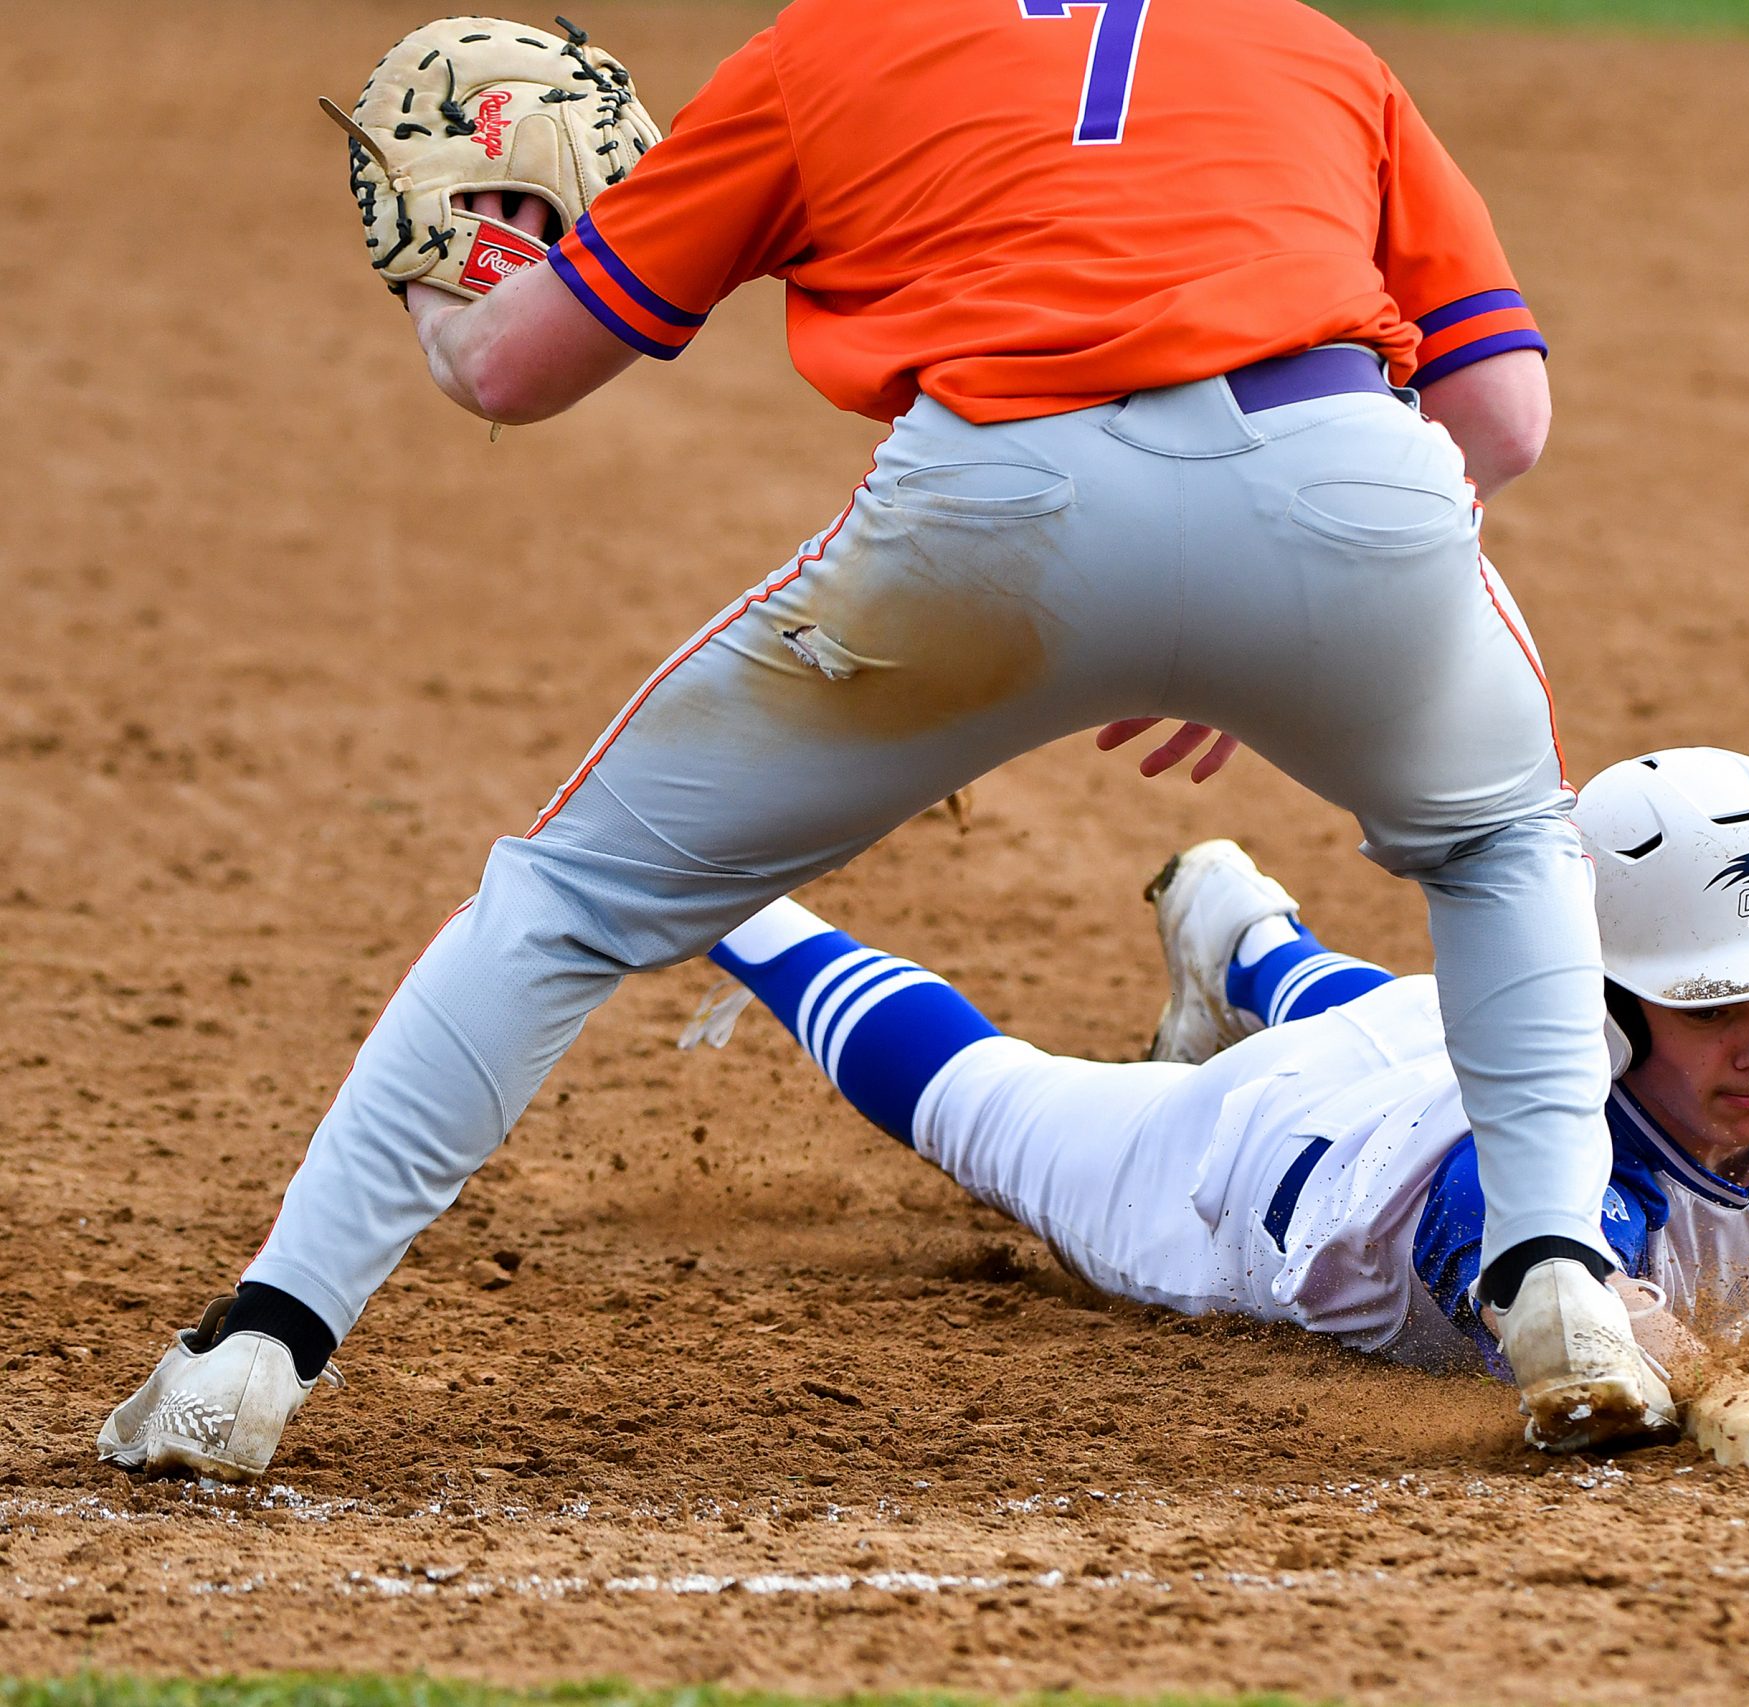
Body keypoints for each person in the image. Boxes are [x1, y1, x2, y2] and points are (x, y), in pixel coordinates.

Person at [102, 0, 1663, 1482]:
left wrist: (446, 279)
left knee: (562, 900)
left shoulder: (825, 46)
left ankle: (258, 1347)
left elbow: (510, 366)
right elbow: (1504, 419)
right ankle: (1554, 1277)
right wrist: (1277, 622)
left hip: (997, 524)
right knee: (1505, 838)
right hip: (1351, 498)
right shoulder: (1309, 43)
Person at [678, 748, 1749, 1425]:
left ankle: (1245, 938)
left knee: (1403, 1014)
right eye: (1705, 1006)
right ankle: (724, 892)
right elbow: (1608, 1376)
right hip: (1242, 1161)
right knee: (985, 1106)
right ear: (1605, 1003)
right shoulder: (1520, 1197)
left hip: (1428, 1040)